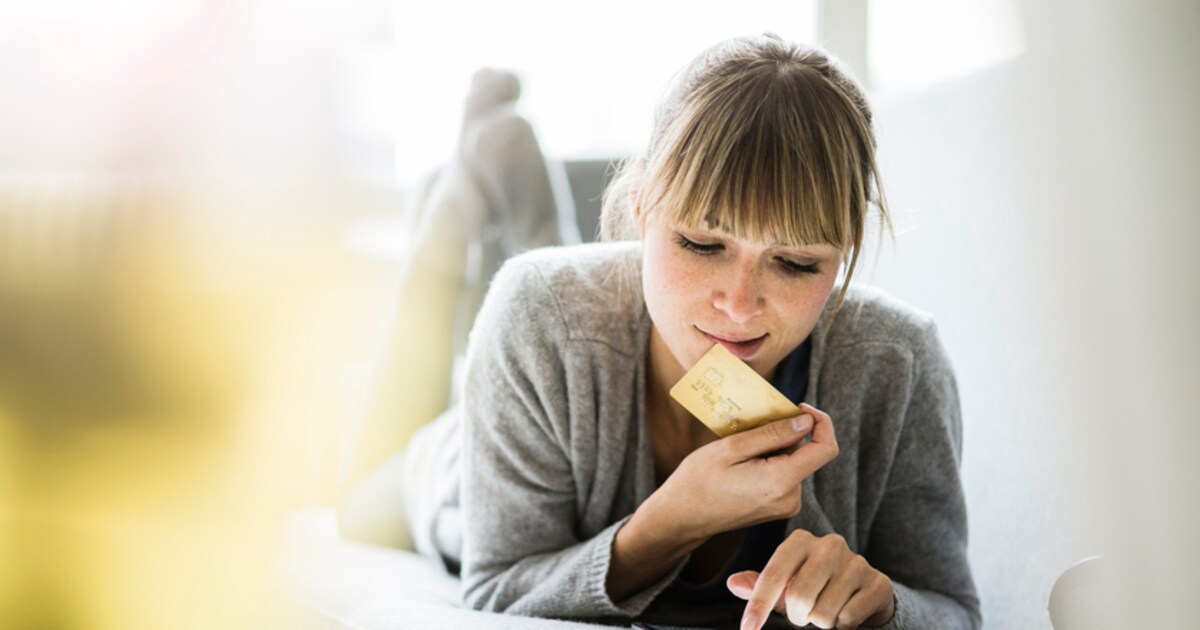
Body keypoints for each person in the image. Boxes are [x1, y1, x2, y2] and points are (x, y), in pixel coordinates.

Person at [418, 33, 980, 629]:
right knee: (378, 458)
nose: (739, 307)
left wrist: (885, 608)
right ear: (641, 208)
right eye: (701, 244)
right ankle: (450, 218)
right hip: (447, 465)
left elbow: (955, 610)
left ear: (843, 250)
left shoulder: (900, 361)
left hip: (588, 318)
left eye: (795, 263)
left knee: (558, 278)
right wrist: (672, 522)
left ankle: (515, 188)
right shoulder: (539, 312)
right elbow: (496, 593)